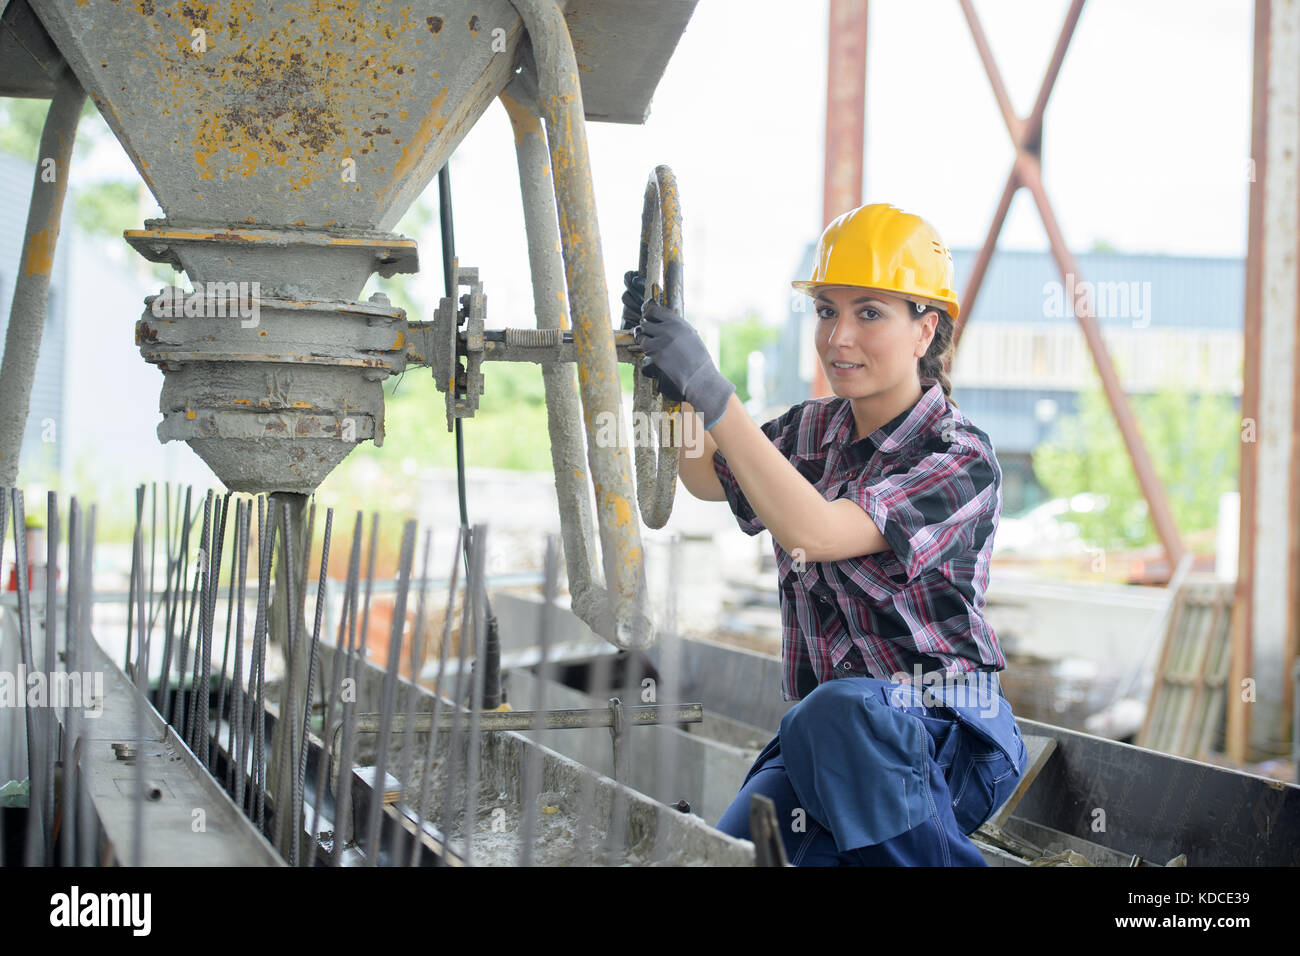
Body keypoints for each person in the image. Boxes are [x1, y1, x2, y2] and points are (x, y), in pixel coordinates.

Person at [624, 202, 1026, 866]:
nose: (839, 338)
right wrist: (672, 384)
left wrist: (710, 385)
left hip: (944, 735)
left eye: (869, 312)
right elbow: (702, 474)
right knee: (733, 855)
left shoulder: (959, 458)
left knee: (838, 712)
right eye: (826, 311)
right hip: (824, 739)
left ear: (925, 330)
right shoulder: (812, 431)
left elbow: (817, 531)